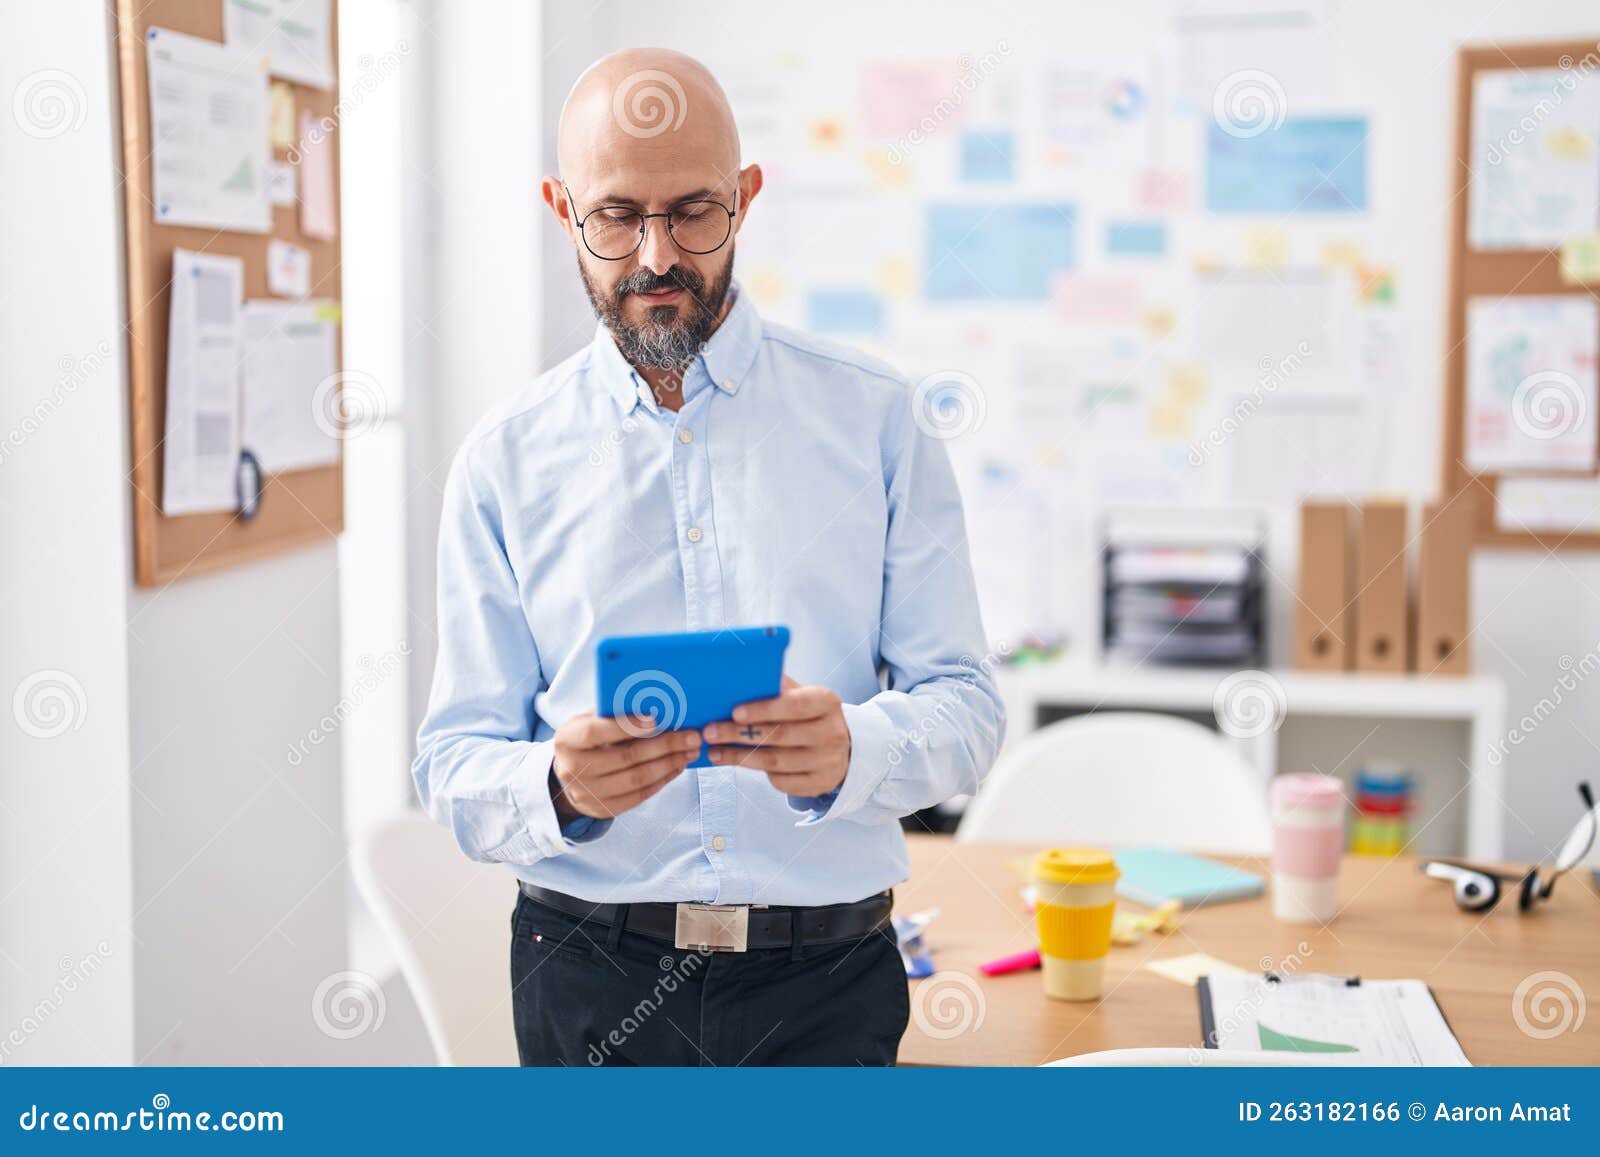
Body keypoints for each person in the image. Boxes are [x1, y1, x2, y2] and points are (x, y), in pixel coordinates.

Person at [413, 46, 1004, 1066]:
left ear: (745, 196)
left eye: (693, 211)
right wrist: (554, 784)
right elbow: (451, 764)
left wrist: (858, 749)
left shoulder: (877, 422)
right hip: (585, 971)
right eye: (615, 215)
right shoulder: (502, 460)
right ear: (563, 211)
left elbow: (966, 706)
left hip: (825, 981)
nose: (654, 256)